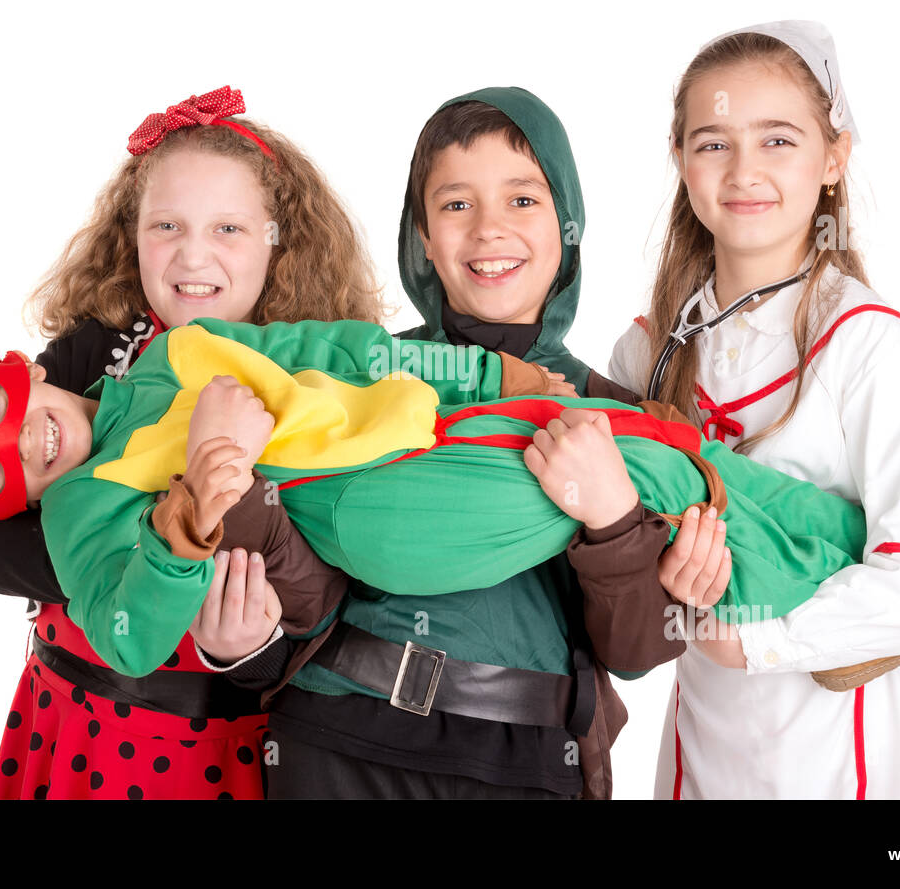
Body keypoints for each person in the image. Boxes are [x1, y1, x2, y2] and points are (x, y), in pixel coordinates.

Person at [0, 310, 884, 673]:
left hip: (419, 438)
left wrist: (492, 377)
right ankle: (850, 567)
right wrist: (185, 518)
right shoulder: (80, 511)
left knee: (644, 446)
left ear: (19, 369)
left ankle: (846, 550)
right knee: (644, 466)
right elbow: (128, 630)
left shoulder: (176, 352)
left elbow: (344, 353)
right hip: (374, 514)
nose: (19, 442)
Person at [0, 86, 381, 798]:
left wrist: (233, 631)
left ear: (279, 238)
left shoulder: (314, 376)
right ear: (132, 233)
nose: (195, 255)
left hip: (223, 740)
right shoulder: (92, 355)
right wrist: (143, 550)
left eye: (228, 229)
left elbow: (324, 604)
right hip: (70, 723)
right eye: (166, 225)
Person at [264, 88, 690, 800]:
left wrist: (614, 520)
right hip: (337, 739)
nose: (490, 230)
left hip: (524, 761)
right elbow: (295, 544)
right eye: (456, 204)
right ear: (423, 236)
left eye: (522, 200)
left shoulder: (617, 415)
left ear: (569, 222)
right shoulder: (363, 371)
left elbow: (639, 651)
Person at [608, 22, 900, 798]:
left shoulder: (865, 342)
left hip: (858, 756)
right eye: (713, 143)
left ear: (834, 159)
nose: (744, 170)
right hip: (705, 745)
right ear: (680, 160)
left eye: (778, 140)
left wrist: (758, 640)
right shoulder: (646, 351)